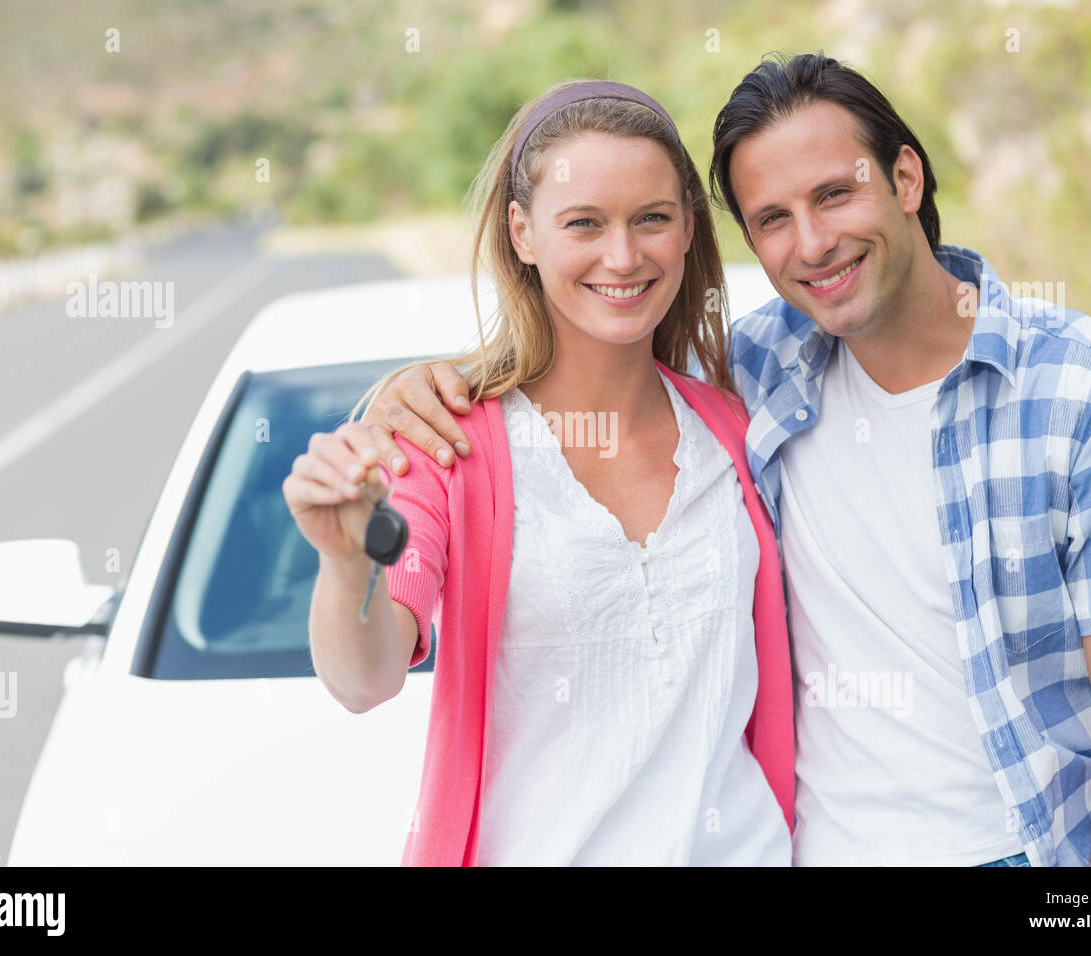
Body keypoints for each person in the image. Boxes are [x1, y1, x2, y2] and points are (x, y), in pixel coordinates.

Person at [360, 53, 1091, 867]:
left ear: (906, 178)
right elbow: (586, 366)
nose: (812, 244)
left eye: (835, 195)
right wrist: (427, 384)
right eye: (773, 219)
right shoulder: (756, 374)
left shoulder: (1088, 390)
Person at [283, 79, 796, 866]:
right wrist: (348, 559)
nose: (622, 257)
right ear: (523, 232)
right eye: (583, 223)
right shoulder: (442, 445)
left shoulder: (737, 424)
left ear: (690, 227)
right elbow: (365, 679)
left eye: (651, 218)